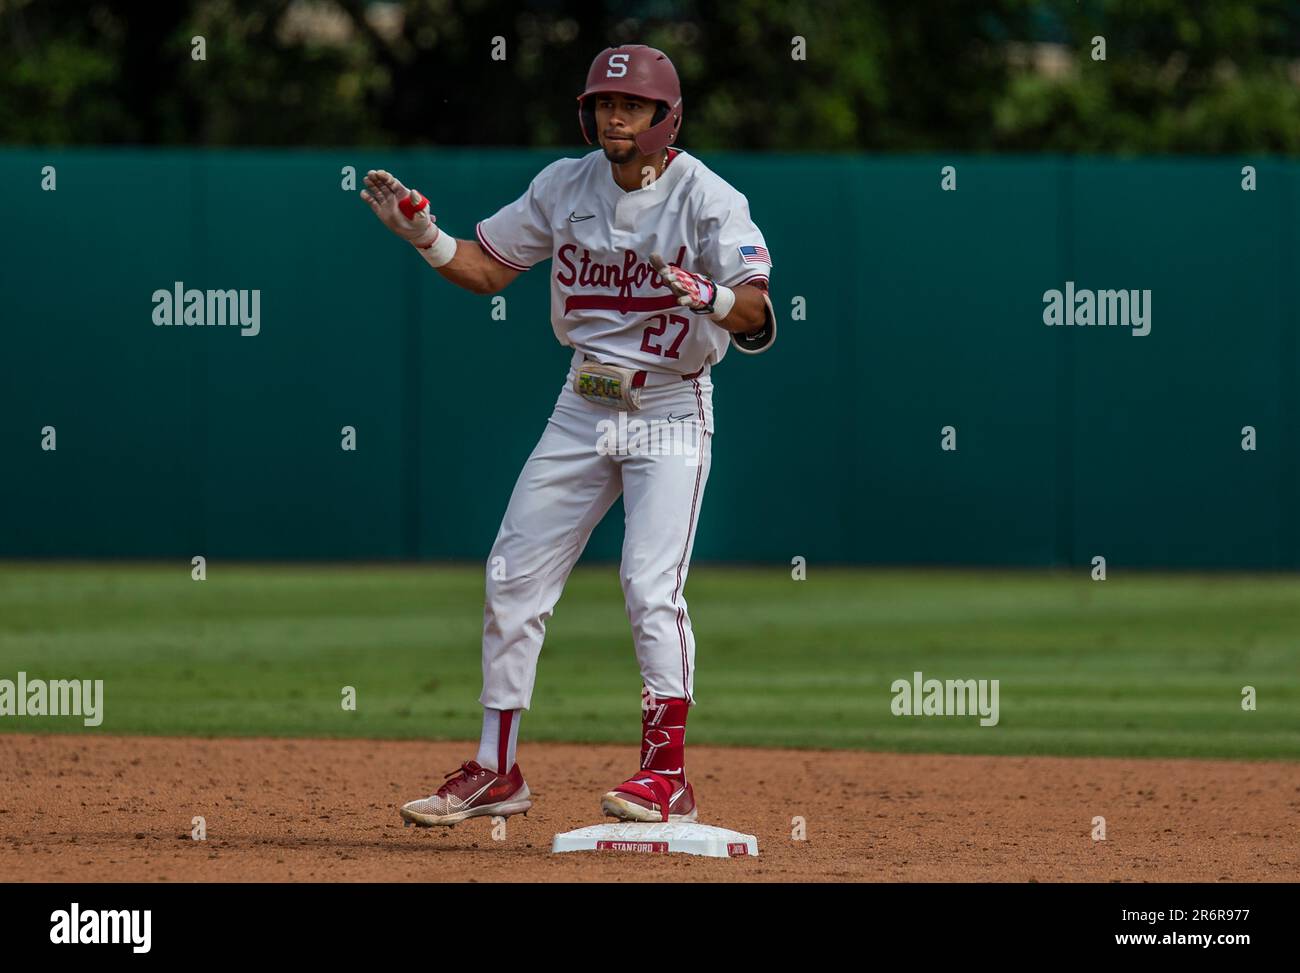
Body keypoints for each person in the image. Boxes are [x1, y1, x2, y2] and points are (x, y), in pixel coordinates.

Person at [361, 43, 775, 827]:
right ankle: (495, 769)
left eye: (632, 105)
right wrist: (424, 235)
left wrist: (715, 295)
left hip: (669, 408)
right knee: (512, 571)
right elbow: (487, 268)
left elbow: (758, 315)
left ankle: (667, 775)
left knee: (650, 586)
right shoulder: (565, 183)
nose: (615, 116)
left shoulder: (709, 199)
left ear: (666, 116)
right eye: (604, 104)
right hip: (582, 405)